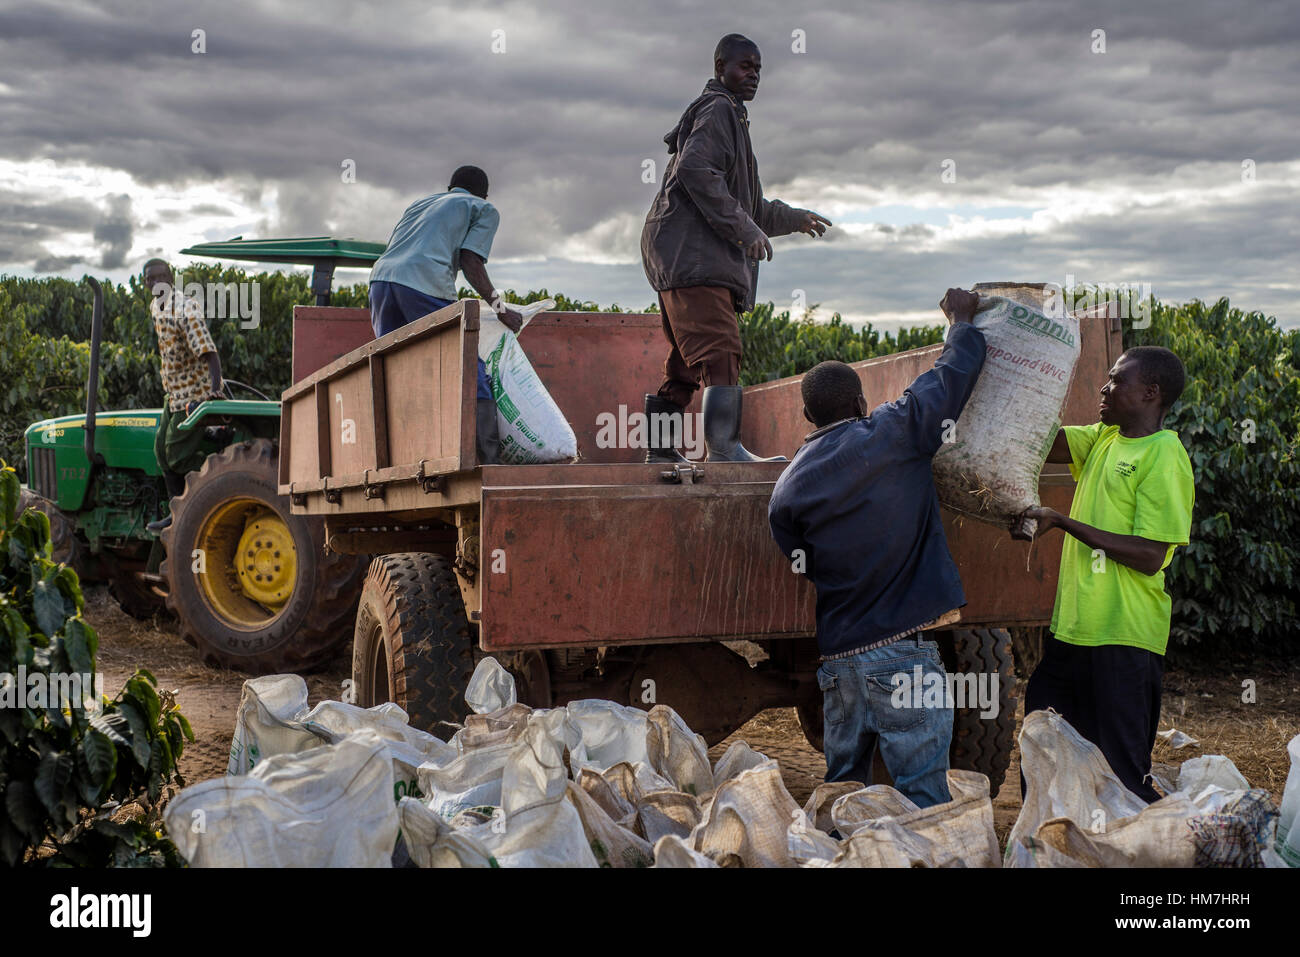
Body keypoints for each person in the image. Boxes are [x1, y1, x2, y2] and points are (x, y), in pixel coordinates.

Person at [768, 289, 987, 808]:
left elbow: (803, 561)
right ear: (860, 402)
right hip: (900, 657)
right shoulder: (893, 432)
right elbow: (951, 379)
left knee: (844, 797)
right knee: (924, 802)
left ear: (806, 414)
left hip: (839, 662)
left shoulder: (788, 487)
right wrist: (960, 321)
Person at [641, 33, 832, 463]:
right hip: (692, 256)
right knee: (722, 350)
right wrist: (745, 229)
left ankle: (659, 450)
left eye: (759, 69)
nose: (754, 76)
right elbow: (695, 170)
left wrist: (792, 218)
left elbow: (750, 206)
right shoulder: (718, 109)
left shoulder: (733, 118)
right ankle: (725, 451)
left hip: (679, 254)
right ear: (719, 67)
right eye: (746, 67)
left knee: (687, 363)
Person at [1020, 347, 1195, 802]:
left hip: (1123, 638)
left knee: (1120, 777)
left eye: (1117, 380)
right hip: (1072, 634)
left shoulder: (1164, 454)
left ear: (1151, 393)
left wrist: (1062, 521)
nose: (1104, 388)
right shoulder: (1102, 438)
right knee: (1044, 756)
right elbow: (1039, 440)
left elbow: (1150, 554)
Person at [370, 165, 523, 464]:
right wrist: (502, 310)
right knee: (467, 364)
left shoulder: (420, 203)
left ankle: (401, 455)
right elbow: (471, 262)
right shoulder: (482, 208)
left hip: (380, 283)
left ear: (450, 186)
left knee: (397, 370)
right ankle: (486, 459)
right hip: (423, 283)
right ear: (485, 193)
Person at [142, 259, 224, 532]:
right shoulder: (155, 307)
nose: (155, 283)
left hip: (194, 393)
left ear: (171, 277)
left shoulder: (186, 308)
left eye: (160, 277)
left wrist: (214, 392)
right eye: (149, 279)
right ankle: (175, 511)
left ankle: (224, 473)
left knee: (177, 455)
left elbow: (209, 352)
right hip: (173, 393)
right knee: (160, 453)